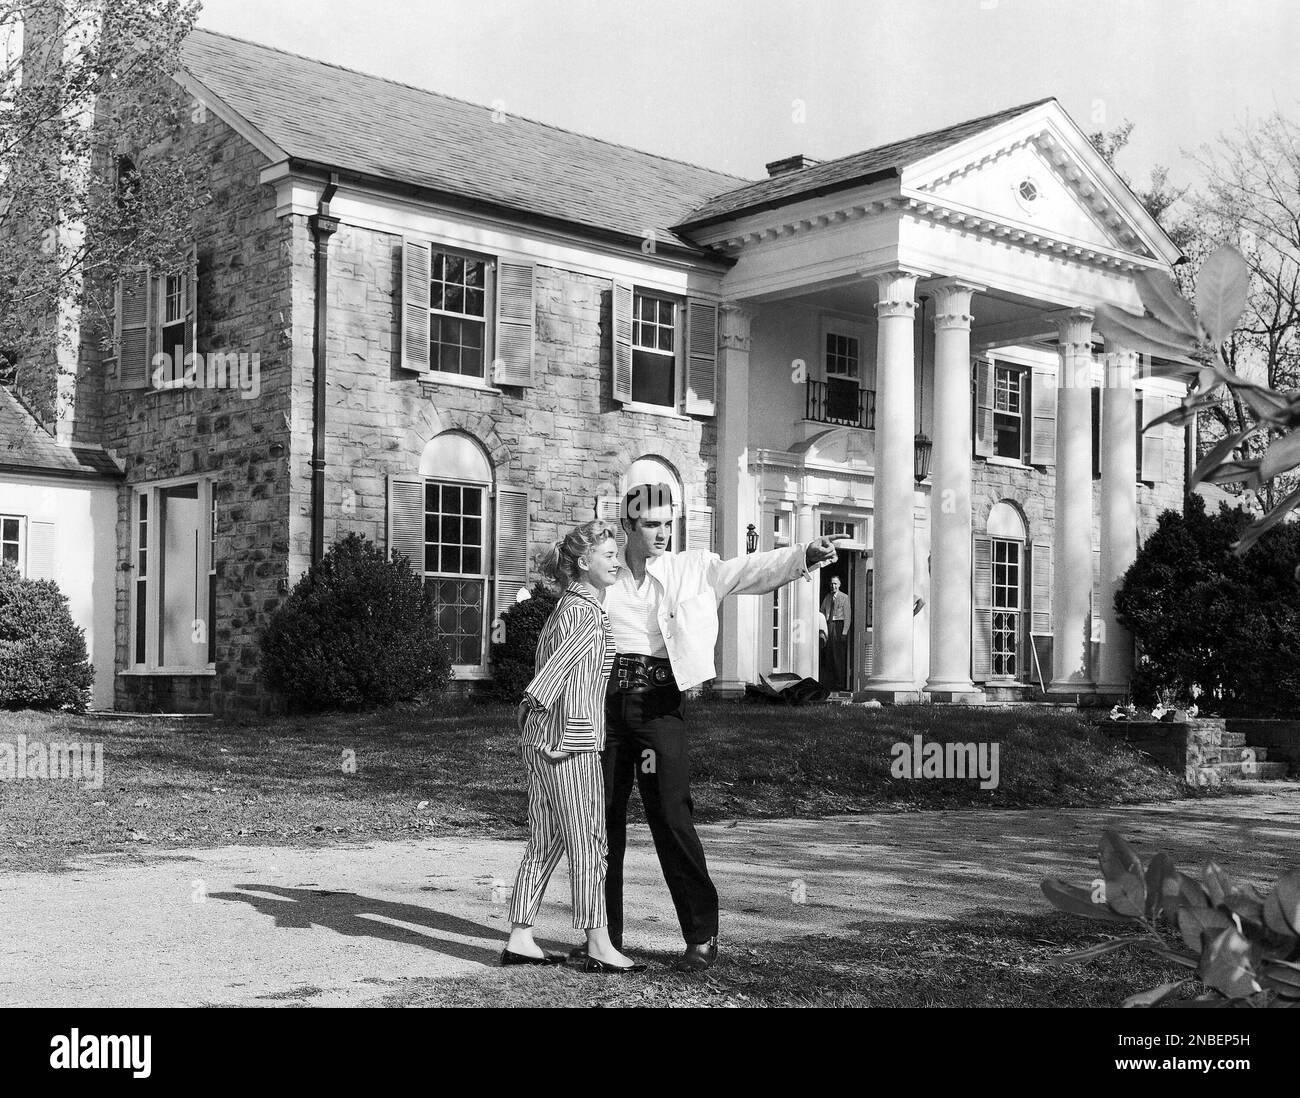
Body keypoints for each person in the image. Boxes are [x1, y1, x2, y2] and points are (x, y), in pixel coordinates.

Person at [581, 482, 845, 972]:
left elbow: (749, 571)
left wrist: (802, 554)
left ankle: (701, 937)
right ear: (627, 527)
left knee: (672, 817)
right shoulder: (603, 575)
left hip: (659, 705)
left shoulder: (693, 569)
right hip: (604, 705)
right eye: (651, 525)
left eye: (667, 524)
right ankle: (603, 938)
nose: (662, 534)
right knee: (601, 822)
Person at [502, 520, 646, 974]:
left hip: (545, 740)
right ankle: (599, 944)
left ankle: (521, 937)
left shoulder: (567, 605)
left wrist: (533, 715)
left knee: (545, 841)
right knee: (589, 842)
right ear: (584, 564)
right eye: (608, 556)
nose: (617, 562)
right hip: (569, 742)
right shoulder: (586, 610)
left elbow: (564, 669)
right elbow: (560, 669)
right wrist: (534, 701)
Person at [820, 575, 851, 690]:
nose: (833, 586)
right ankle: (829, 684)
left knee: (838, 656)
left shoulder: (844, 597)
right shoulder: (827, 597)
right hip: (829, 625)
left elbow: (848, 617)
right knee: (829, 655)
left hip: (839, 626)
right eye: (831, 584)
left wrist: (844, 632)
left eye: (835, 584)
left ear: (839, 585)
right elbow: (822, 612)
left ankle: (840, 684)